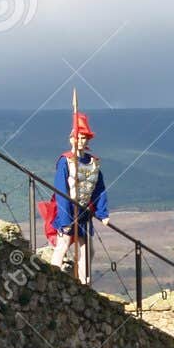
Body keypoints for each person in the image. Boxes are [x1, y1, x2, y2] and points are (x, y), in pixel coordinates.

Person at [50, 107, 110, 283]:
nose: (82, 140)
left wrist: (102, 213)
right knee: (62, 245)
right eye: (79, 137)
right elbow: (61, 190)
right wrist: (66, 219)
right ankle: (52, 279)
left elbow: (99, 189)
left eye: (84, 137)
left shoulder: (93, 163)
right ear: (72, 138)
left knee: (88, 250)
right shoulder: (65, 161)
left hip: (84, 212)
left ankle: (84, 284)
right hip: (68, 210)